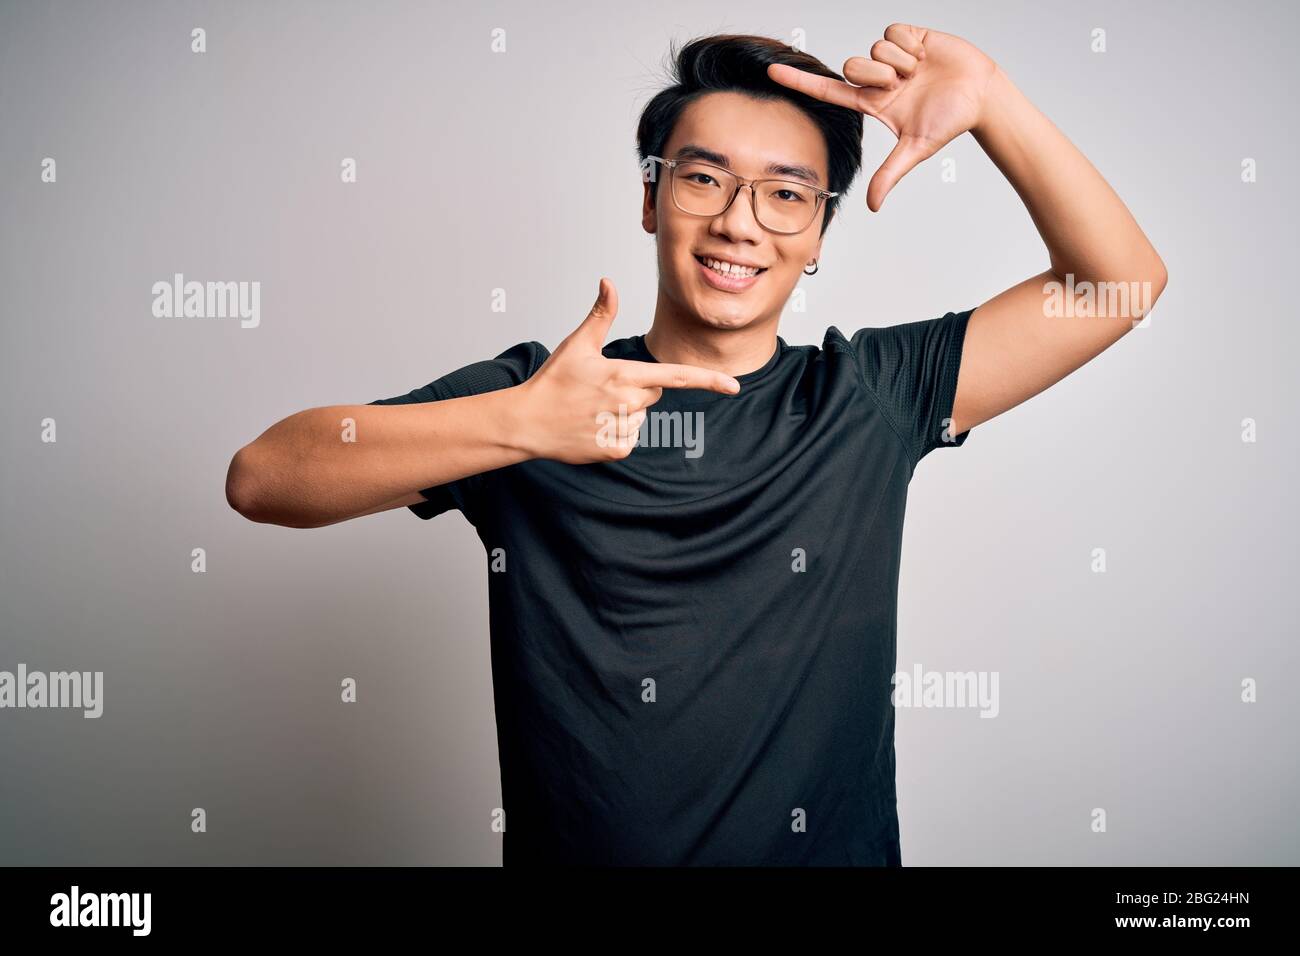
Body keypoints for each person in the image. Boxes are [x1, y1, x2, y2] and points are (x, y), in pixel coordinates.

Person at [225, 26, 1166, 865]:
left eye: (786, 195)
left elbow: (1120, 283)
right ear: (652, 200)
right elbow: (264, 477)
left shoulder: (869, 398)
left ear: (819, 235)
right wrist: (519, 423)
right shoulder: (541, 393)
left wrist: (993, 101)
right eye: (704, 178)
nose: (739, 222)